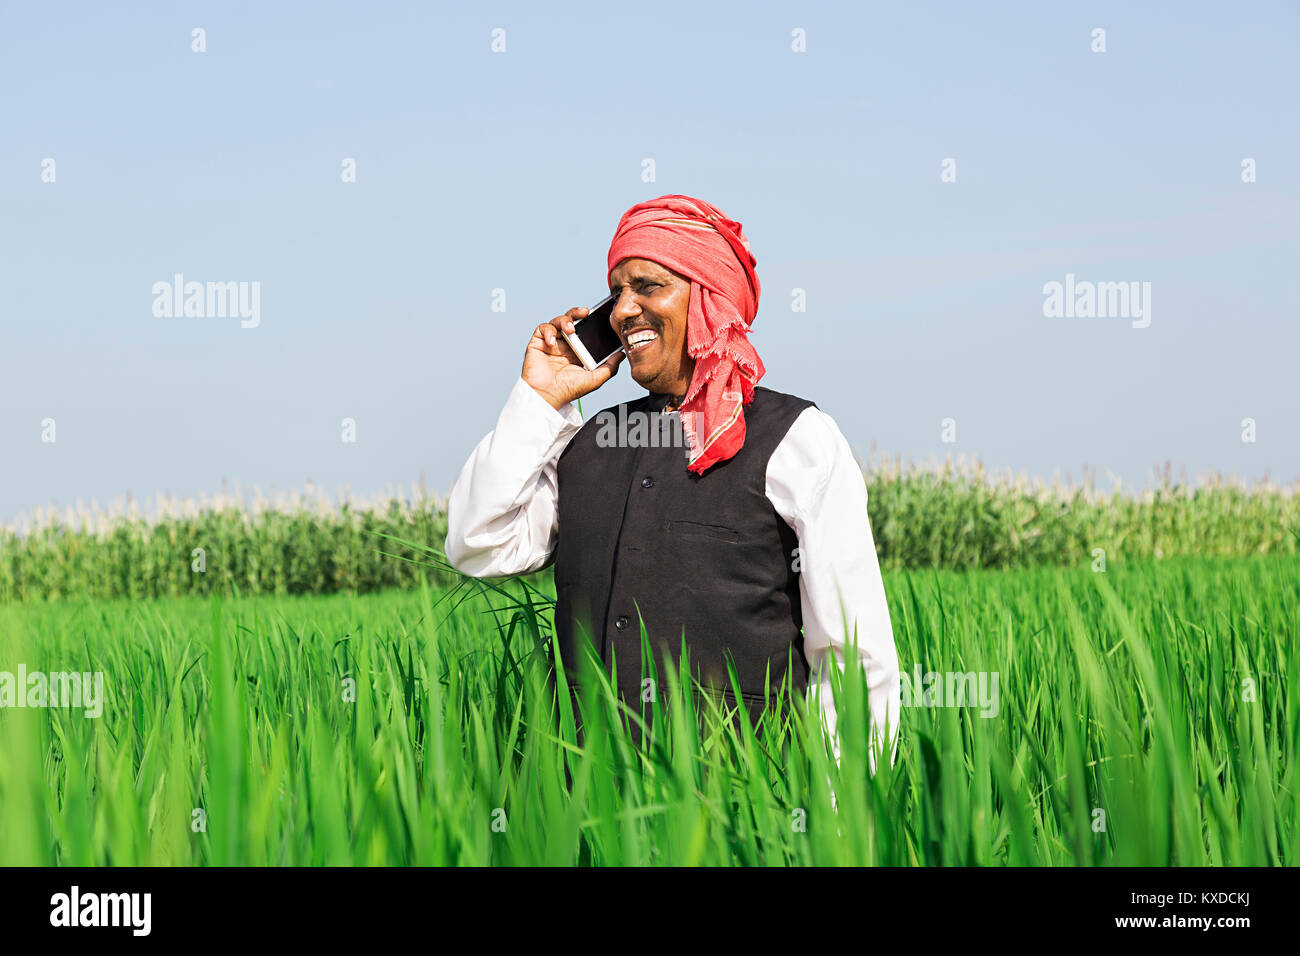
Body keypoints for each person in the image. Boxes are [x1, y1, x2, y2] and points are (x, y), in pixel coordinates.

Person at [445, 194, 900, 769]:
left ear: (709, 296)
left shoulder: (797, 439)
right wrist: (539, 399)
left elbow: (854, 656)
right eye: (615, 292)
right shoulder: (589, 443)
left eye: (648, 286)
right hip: (594, 812)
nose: (621, 310)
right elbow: (476, 544)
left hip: (751, 818)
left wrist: (839, 824)